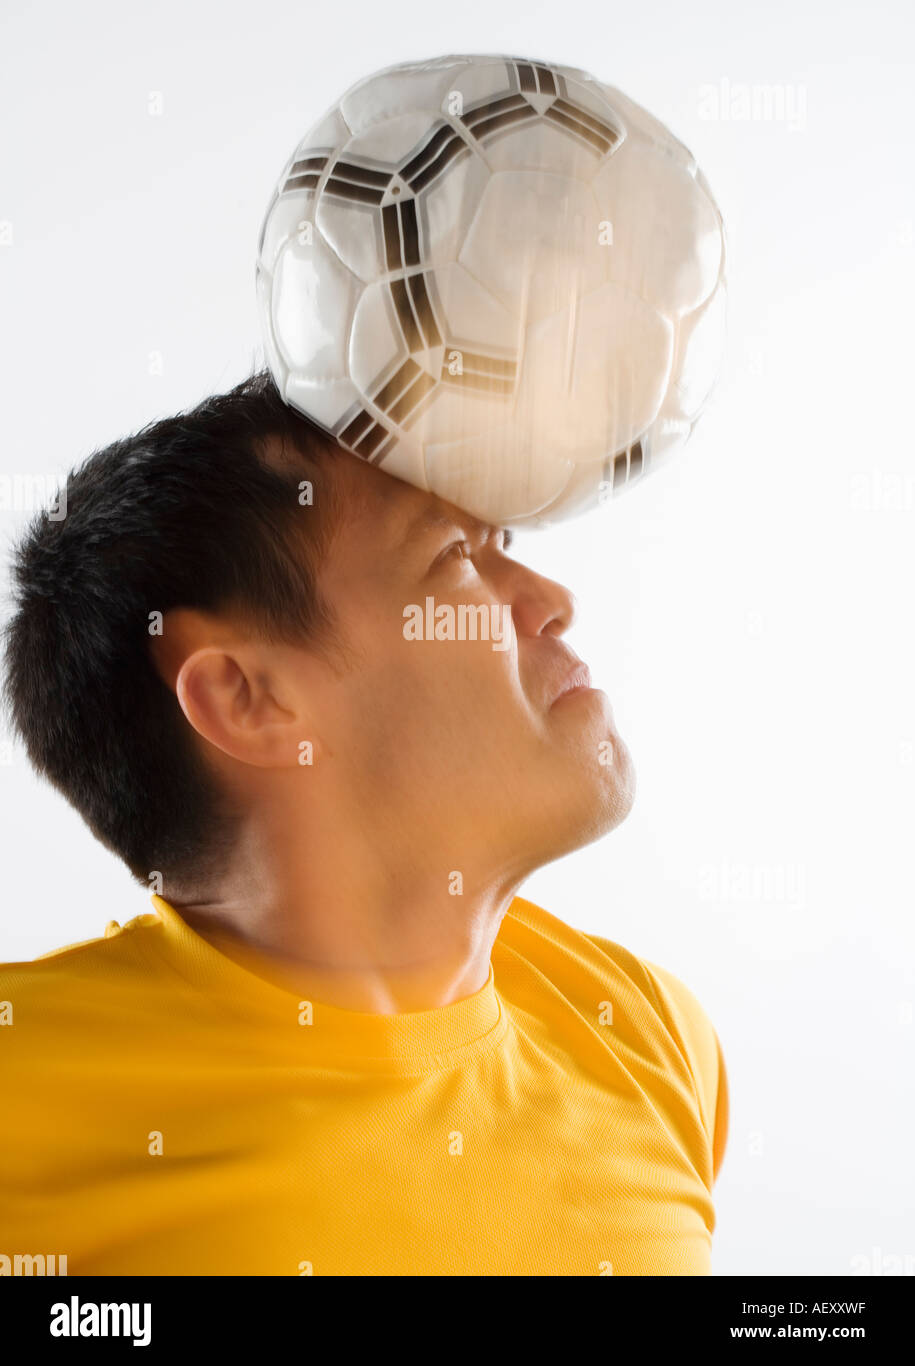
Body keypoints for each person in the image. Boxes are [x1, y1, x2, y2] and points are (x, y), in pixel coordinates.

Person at [0, 369, 728, 1276]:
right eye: (456, 559)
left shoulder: (651, 1036)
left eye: (500, 542)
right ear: (245, 696)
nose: (550, 599)